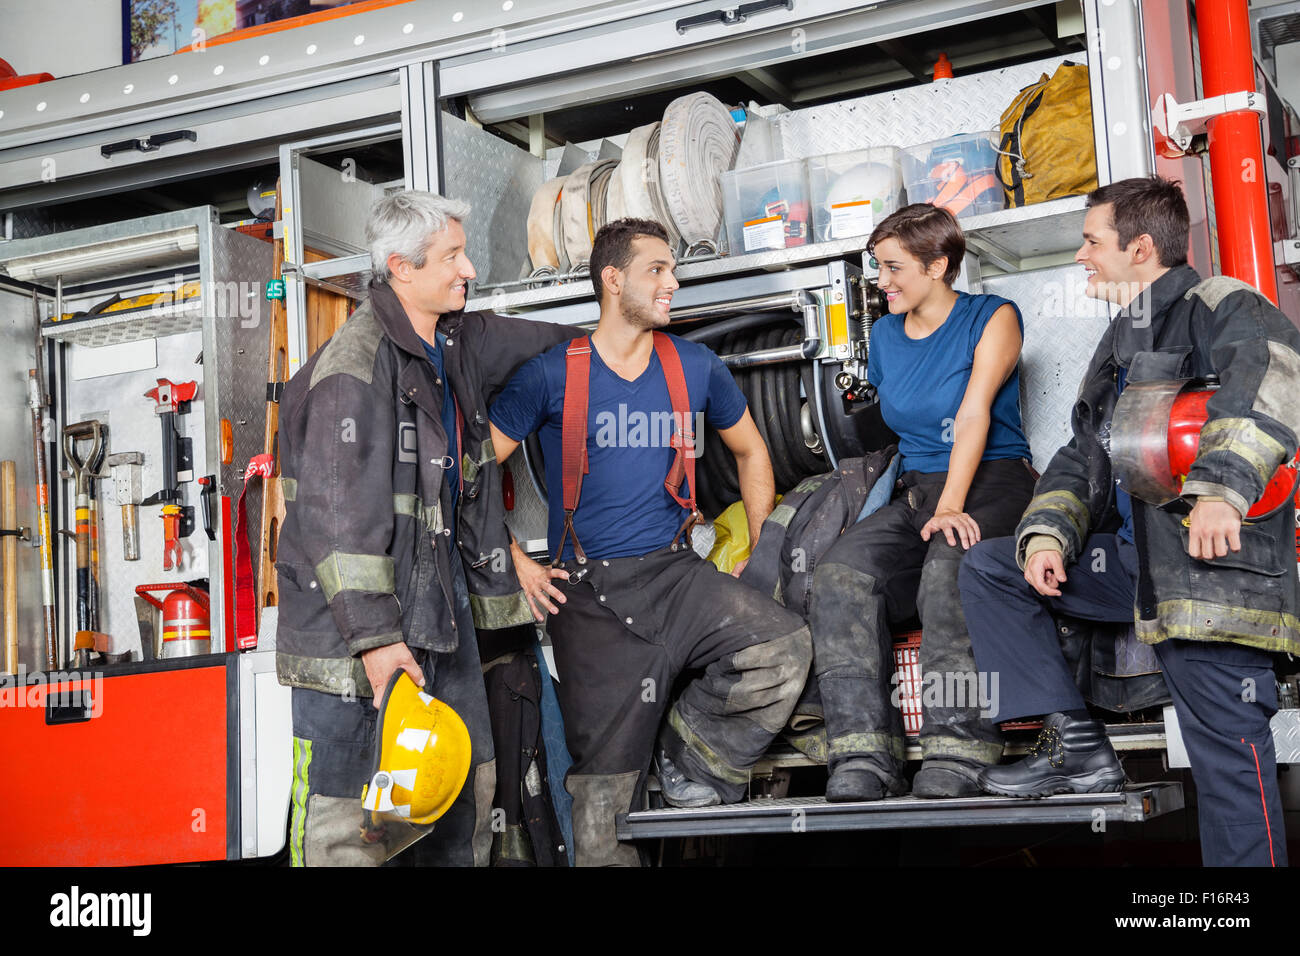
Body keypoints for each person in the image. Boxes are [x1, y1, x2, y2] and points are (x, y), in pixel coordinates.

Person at [959, 175, 1300, 867]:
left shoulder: (1223, 306)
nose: (1081, 257)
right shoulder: (1120, 340)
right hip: (1135, 570)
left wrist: (1221, 492)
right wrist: (1049, 533)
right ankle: (1077, 749)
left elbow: (1274, 384)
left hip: (1211, 576)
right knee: (994, 567)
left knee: (1231, 775)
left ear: (1140, 247)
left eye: (1092, 242)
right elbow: (1086, 452)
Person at [488, 217, 812, 866]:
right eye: (657, 270)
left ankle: (685, 762)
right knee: (604, 803)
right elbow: (469, 472)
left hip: (677, 576)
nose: (674, 282)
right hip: (589, 599)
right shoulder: (551, 376)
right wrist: (515, 558)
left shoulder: (695, 365)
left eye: (673, 269)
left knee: (782, 647)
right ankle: (645, 777)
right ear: (613, 281)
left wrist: (760, 543)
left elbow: (751, 452)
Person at [275, 191, 577, 866]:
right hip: (352, 658)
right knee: (348, 832)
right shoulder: (350, 376)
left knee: (460, 809)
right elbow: (336, 523)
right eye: (452, 256)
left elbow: (562, 342)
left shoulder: (453, 346)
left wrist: (629, 336)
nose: (469, 268)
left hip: (441, 635)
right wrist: (378, 643)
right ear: (401, 269)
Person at [809, 203, 1036, 802]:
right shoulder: (883, 335)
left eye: (892, 268)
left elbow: (972, 414)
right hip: (921, 491)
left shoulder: (993, 318)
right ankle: (861, 754)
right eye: (876, 267)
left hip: (993, 482)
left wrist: (953, 506)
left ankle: (959, 749)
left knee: (946, 576)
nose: (880, 282)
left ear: (938, 265)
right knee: (839, 576)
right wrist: (926, 504)